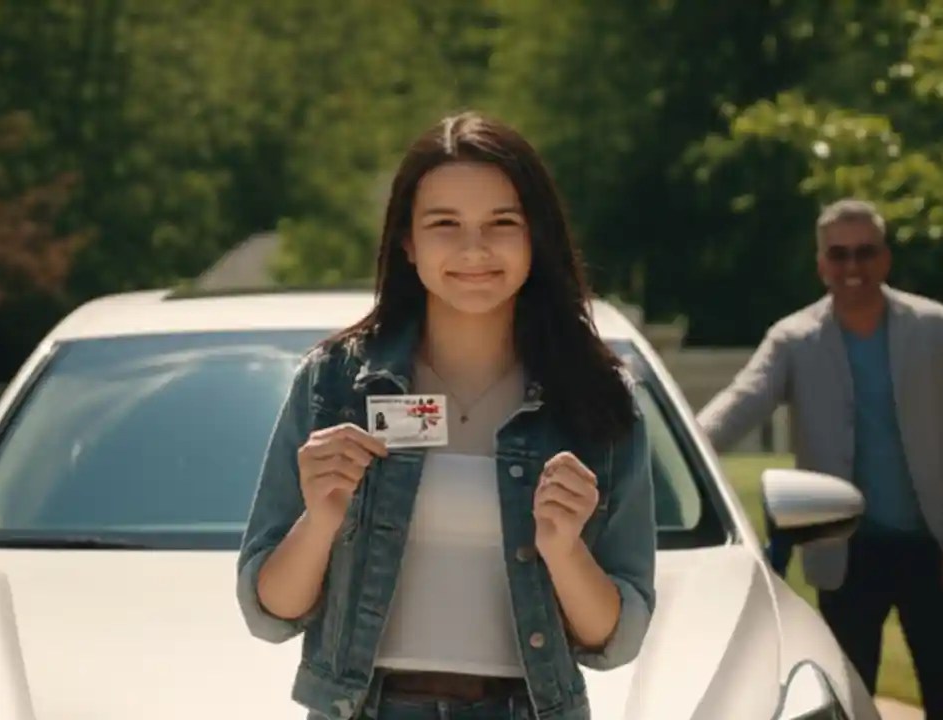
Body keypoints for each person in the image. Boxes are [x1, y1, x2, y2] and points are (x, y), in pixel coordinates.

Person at [236, 112, 656, 720]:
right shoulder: (333, 384)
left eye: (502, 224)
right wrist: (322, 518)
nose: (474, 250)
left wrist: (565, 551)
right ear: (407, 241)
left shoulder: (597, 399)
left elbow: (614, 641)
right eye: (444, 225)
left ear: (536, 236)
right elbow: (269, 614)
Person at [697, 198, 943, 720]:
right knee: (846, 702)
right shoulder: (793, 339)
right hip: (843, 554)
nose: (852, 268)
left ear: (885, 258)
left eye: (865, 253)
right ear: (821, 263)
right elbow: (739, 405)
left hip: (934, 547)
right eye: (839, 255)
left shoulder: (937, 329)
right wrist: (679, 447)